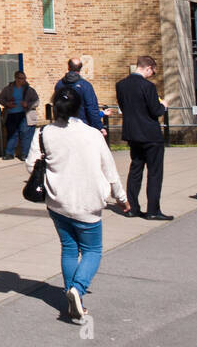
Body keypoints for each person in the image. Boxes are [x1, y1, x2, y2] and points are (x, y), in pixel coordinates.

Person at [26, 85, 130, 324]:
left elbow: (32, 166)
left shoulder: (43, 134)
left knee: (69, 248)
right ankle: (78, 289)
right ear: (79, 107)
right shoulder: (92, 134)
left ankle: (74, 300)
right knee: (92, 250)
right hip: (88, 202)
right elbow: (110, 169)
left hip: (58, 201)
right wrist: (122, 198)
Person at [115, 55, 171, 221]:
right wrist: (164, 106)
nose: (151, 74)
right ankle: (153, 210)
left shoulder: (121, 85)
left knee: (135, 170)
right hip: (150, 135)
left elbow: (124, 107)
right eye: (152, 72)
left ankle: (132, 208)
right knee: (154, 173)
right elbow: (155, 111)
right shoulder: (148, 87)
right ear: (148, 68)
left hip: (132, 133)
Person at [53, 58, 105, 138]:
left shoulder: (59, 85)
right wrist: (99, 127)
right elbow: (91, 108)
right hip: (82, 125)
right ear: (80, 68)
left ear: (68, 67)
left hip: (63, 125)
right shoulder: (85, 85)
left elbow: (56, 105)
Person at [0, 71, 39, 160]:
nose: (23, 80)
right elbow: (0, 99)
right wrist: (7, 104)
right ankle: (9, 153)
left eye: (24, 78)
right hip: (11, 114)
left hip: (25, 115)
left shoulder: (29, 90)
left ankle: (25, 154)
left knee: (25, 134)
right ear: (16, 79)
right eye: (21, 78)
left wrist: (27, 104)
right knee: (12, 134)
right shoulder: (8, 89)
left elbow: (36, 101)